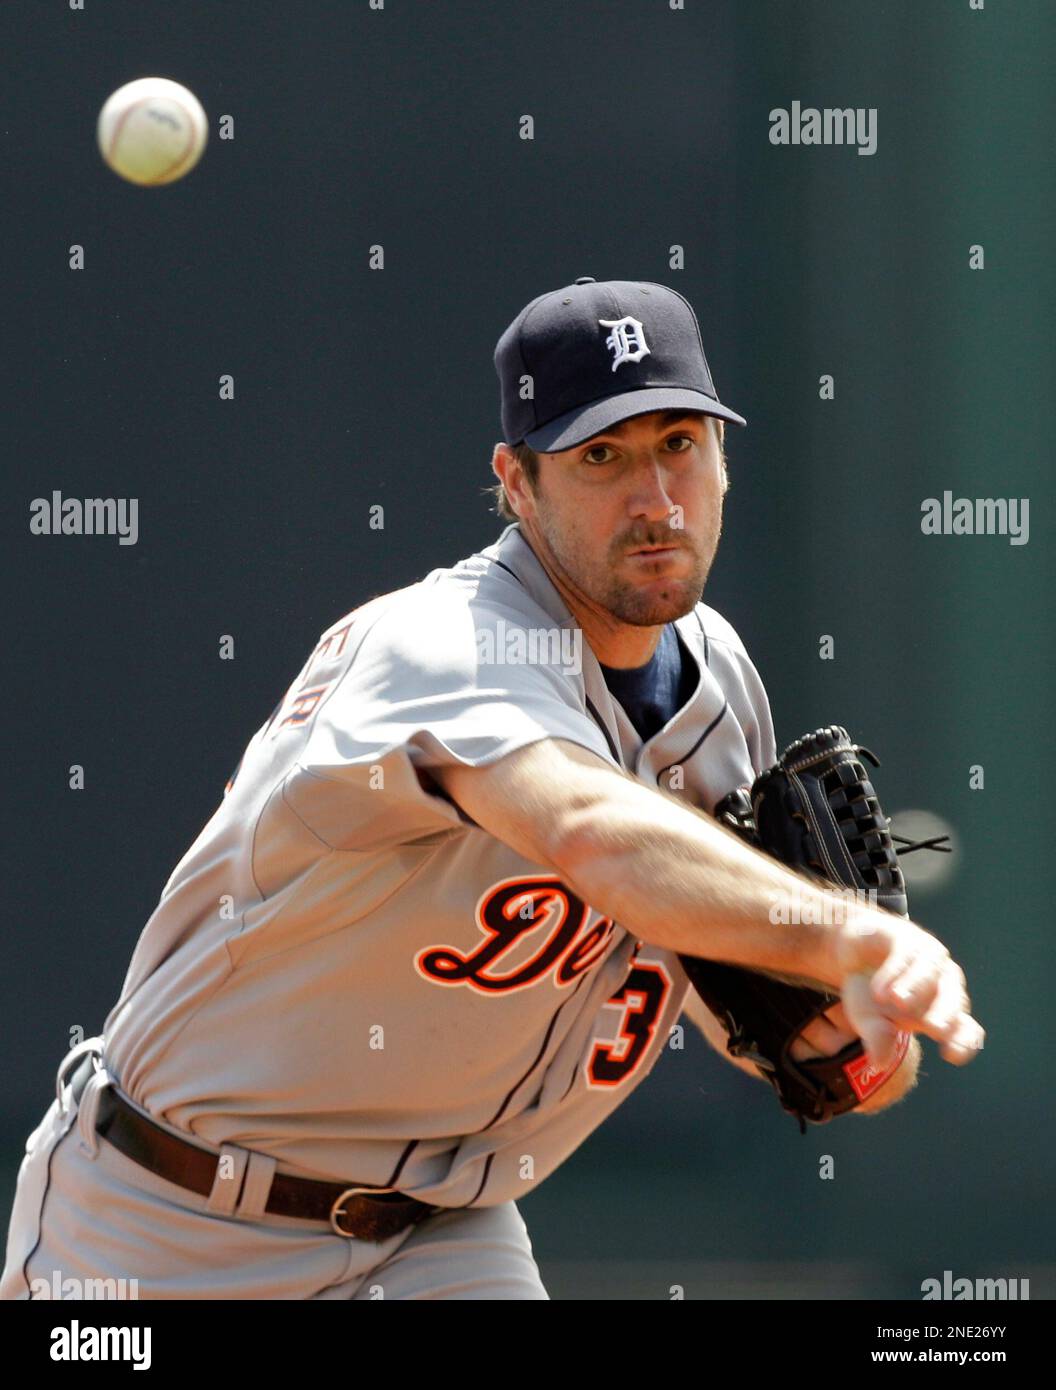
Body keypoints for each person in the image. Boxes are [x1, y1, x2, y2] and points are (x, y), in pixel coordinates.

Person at [1, 277, 982, 1302]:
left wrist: (862, 1035)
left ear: (723, 459)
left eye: (680, 443)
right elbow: (592, 833)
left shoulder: (717, 680)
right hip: (169, 1222)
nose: (654, 498)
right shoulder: (447, 642)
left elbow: (733, 987)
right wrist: (845, 935)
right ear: (517, 483)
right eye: (601, 455)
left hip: (441, 1237)